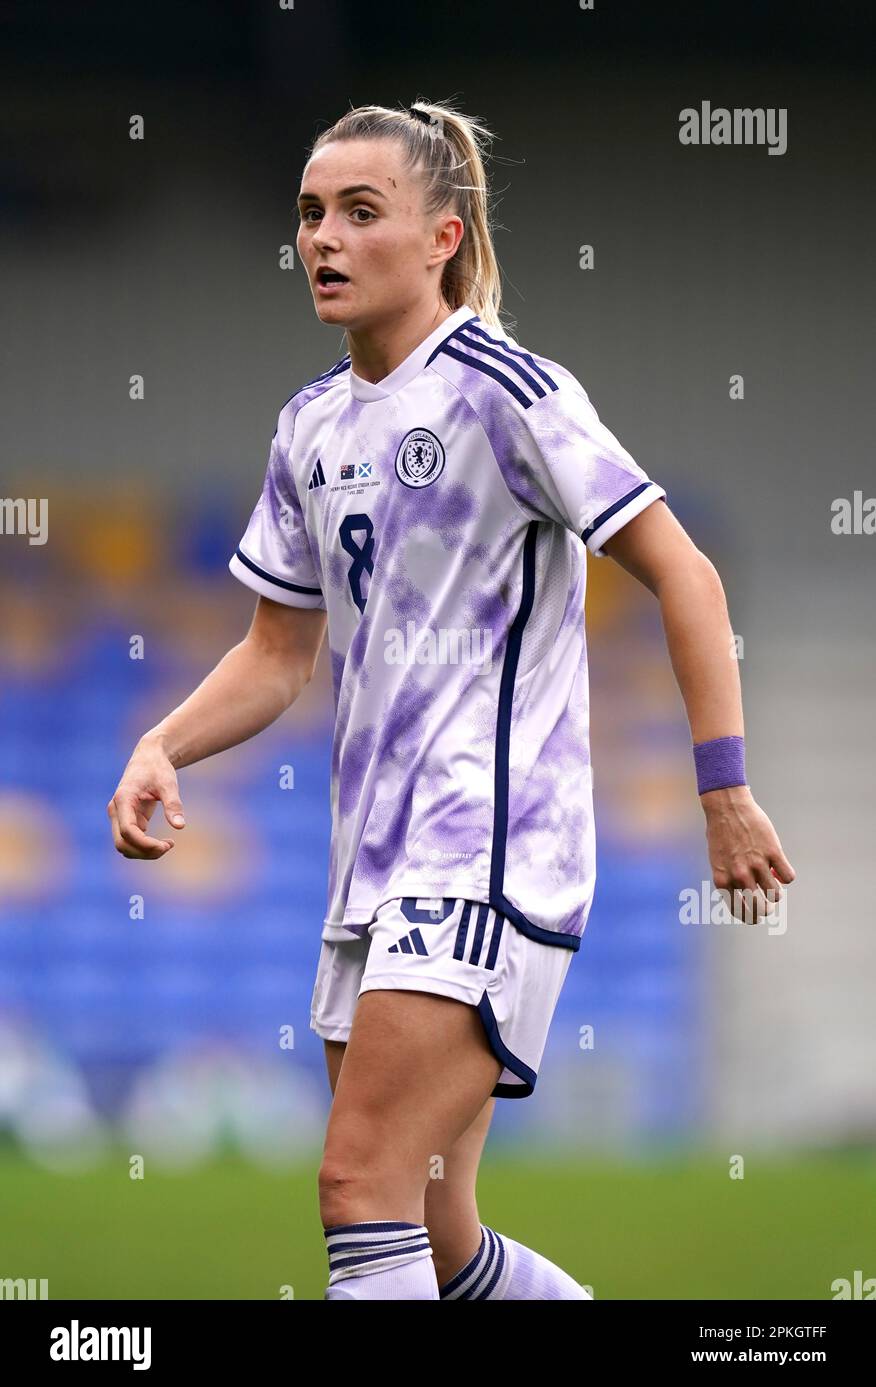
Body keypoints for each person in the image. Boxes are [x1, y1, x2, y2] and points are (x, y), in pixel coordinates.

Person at [107, 98, 796, 1301]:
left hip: (488, 844)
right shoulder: (310, 426)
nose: (324, 239)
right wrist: (161, 743)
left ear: (444, 236)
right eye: (311, 214)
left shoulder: (504, 390)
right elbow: (279, 652)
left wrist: (724, 785)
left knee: (355, 1186)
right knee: (437, 1234)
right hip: (371, 860)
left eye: (361, 213)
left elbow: (683, 569)